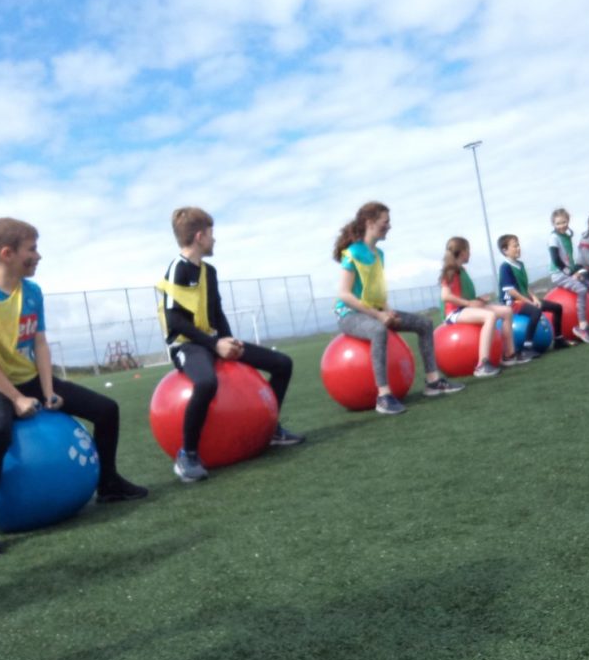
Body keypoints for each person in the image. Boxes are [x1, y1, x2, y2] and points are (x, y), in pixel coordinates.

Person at [0, 218, 148, 559]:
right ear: (7, 254)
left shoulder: (32, 292)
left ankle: (108, 484)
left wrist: (47, 392)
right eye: (31, 249)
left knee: (107, 410)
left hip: (28, 377)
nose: (38, 256)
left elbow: (40, 344)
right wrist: (16, 399)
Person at [159, 207, 304, 484]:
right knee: (205, 384)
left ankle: (271, 429)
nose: (215, 240)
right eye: (212, 234)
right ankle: (187, 454)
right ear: (200, 236)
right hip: (186, 347)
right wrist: (215, 345)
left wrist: (229, 340)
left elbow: (217, 312)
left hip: (214, 342)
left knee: (283, 364)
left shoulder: (209, 272)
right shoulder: (177, 268)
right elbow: (173, 320)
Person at [334, 201, 464, 415]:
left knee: (424, 323)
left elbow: (376, 289)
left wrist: (386, 309)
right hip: (350, 315)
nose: (389, 226)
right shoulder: (352, 253)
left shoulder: (379, 254)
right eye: (386, 222)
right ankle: (384, 397)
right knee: (378, 330)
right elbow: (345, 295)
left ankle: (433, 381)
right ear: (370, 222)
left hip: (376, 311)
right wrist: (378, 315)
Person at [440, 236, 531, 377]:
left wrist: (477, 300)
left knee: (506, 311)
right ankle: (482, 365)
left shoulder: (462, 270)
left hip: (466, 308)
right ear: (463, 252)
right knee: (490, 316)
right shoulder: (450, 270)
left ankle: (509, 355)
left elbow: (463, 295)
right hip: (454, 313)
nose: (470, 253)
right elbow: (445, 296)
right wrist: (470, 303)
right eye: (468, 250)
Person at [547, 208, 589, 344]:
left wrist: (575, 272)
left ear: (568, 221)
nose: (561, 225)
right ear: (553, 224)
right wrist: (572, 273)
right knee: (582, 290)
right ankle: (582, 327)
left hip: (569, 272)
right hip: (559, 274)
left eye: (564, 222)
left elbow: (569, 259)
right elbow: (556, 260)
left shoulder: (566, 236)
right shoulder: (553, 238)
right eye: (558, 223)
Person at [497, 233, 570, 352]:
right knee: (536, 310)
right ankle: (527, 347)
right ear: (505, 250)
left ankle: (558, 339)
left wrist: (534, 298)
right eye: (514, 246)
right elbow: (511, 292)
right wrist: (529, 302)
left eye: (518, 245)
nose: (518, 248)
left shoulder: (520, 264)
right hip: (511, 303)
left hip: (524, 300)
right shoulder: (505, 267)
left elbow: (525, 287)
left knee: (557, 307)